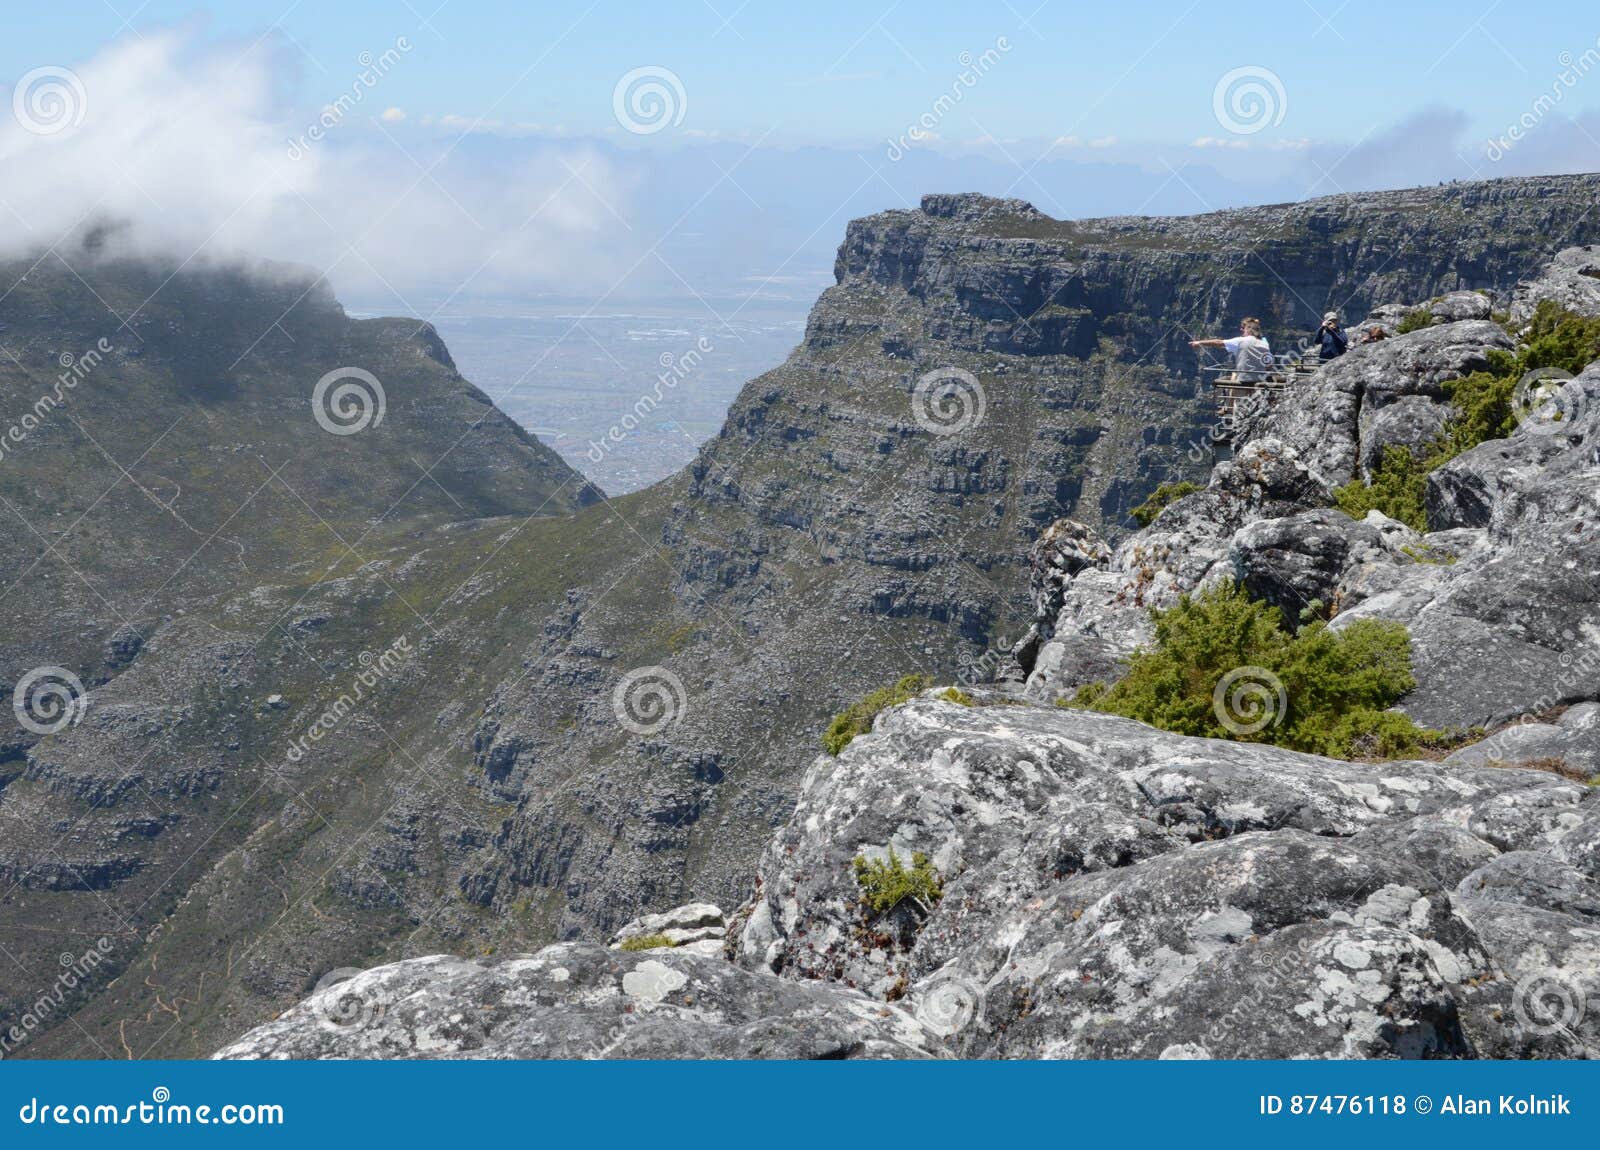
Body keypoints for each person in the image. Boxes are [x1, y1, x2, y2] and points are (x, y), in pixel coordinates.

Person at [1190, 317, 1273, 382]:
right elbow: (1269, 364)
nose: (1242, 331)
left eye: (1243, 329)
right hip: (1260, 380)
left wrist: (1200, 342)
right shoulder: (1264, 343)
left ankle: (1232, 401)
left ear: (1249, 330)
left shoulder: (1241, 341)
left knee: (1232, 378)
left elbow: (1219, 343)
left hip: (1244, 380)